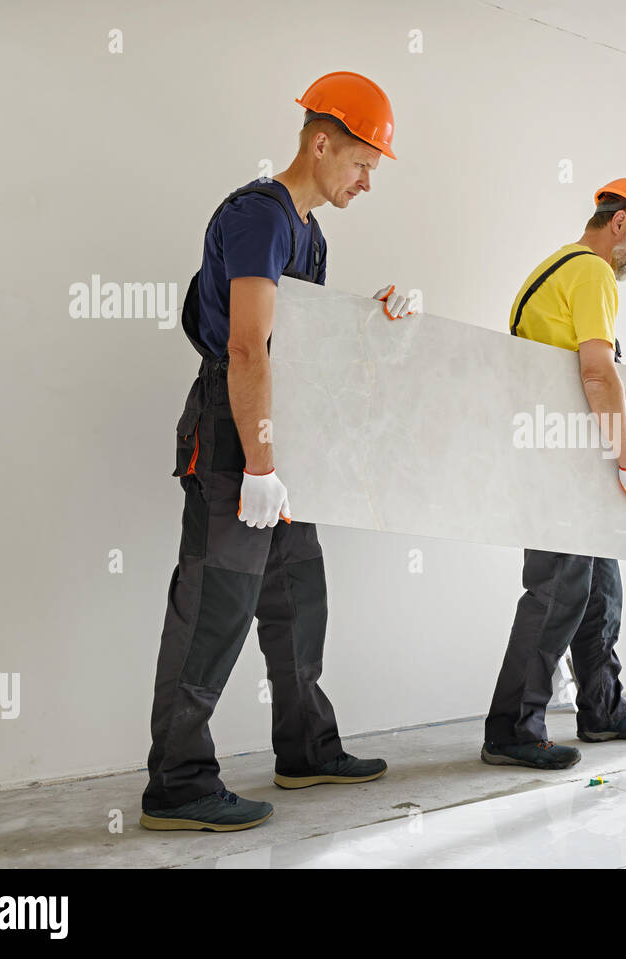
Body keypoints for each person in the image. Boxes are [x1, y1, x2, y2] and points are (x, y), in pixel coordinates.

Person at [140, 71, 415, 831]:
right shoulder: (259, 214)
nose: (367, 180)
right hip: (238, 436)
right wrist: (259, 467)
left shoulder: (311, 233)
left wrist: (377, 317)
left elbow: (304, 349)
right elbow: (248, 348)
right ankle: (178, 783)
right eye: (362, 162)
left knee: (297, 599)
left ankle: (306, 748)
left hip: (283, 436)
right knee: (213, 607)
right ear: (321, 141)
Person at [481, 178, 626, 770]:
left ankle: (602, 707)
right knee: (558, 591)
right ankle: (511, 729)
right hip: (565, 466)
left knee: (599, 592)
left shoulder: (552, 271)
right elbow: (593, 372)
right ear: (621, 224)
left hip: (566, 456)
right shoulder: (592, 272)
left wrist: (618, 394)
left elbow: (581, 374)